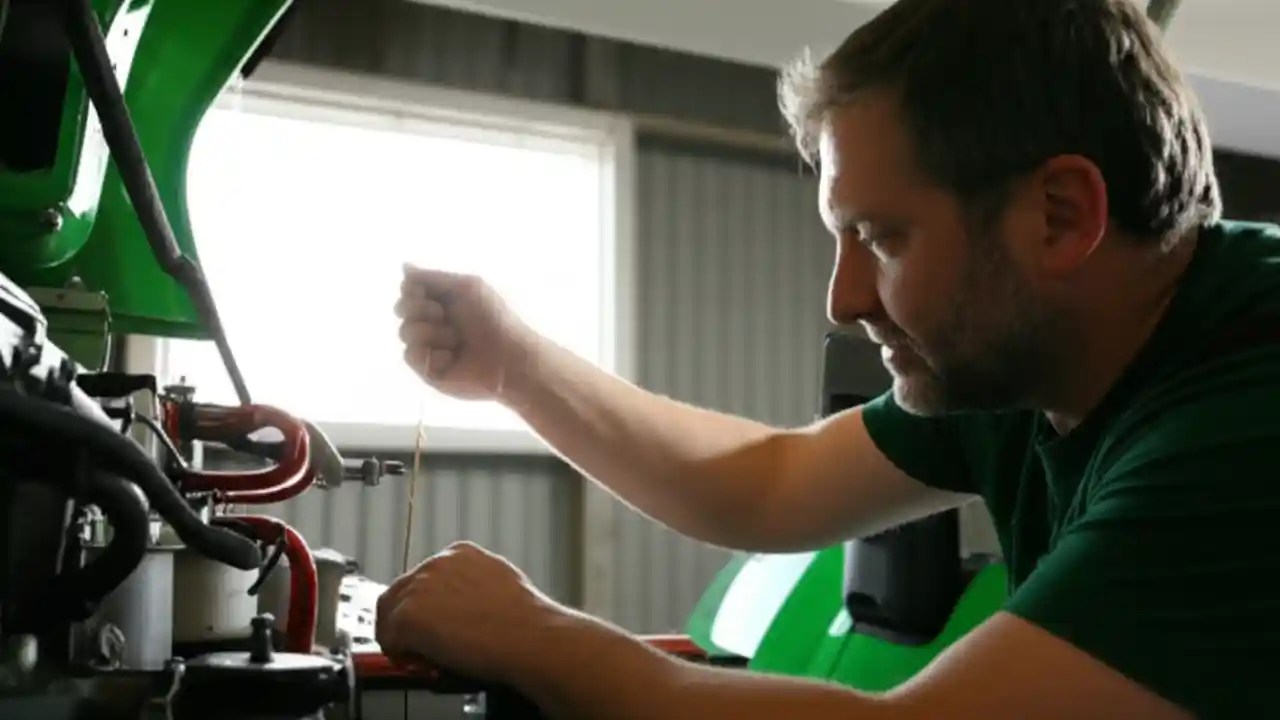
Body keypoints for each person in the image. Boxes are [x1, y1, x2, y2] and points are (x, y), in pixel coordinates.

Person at [378, 0, 1280, 717]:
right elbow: (767, 484)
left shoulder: (1250, 415)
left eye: (880, 238)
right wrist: (513, 365)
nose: (843, 301)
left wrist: (536, 636)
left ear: (1060, 216)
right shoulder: (1037, 352)